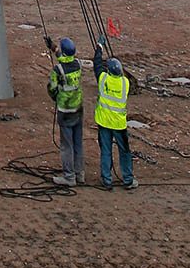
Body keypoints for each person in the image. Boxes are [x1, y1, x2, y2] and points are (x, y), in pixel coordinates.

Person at [93, 41, 136, 190]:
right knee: (124, 151)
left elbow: (97, 66)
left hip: (104, 122)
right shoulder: (125, 83)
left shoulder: (103, 79)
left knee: (106, 151)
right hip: (119, 124)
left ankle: (107, 179)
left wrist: (99, 47)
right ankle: (128, 179)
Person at [45, 35, 85, 187]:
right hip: (78, 109)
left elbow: (52, 88)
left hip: (65, 110)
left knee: (66, 145)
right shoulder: (78, 64)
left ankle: (69, 177)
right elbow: (65, 59)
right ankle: (79, 173)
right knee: (77, 142)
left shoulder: (58, 70)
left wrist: (56, 97)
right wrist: (53, 47)